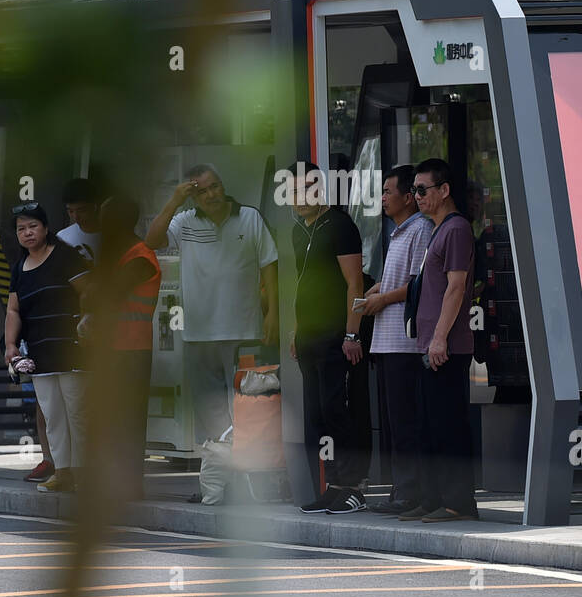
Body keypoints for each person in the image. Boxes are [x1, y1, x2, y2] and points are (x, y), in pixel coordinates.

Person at [144, 164, 278, 461]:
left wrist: (273, 314)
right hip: (199, 333)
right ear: (192, 197)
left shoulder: (250, 217)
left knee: (247, 408)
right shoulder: (184, 221)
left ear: (222, 184)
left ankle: (248, 481)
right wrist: (174, 201)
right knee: (209, 414)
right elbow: (151, 242)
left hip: (244, 331)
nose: (211, 194)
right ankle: (216, 484)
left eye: (214, 186)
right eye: (201, 191)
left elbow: (269, 266)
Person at [288, 161, 369, 514]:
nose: (299, 197)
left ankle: (354, 486)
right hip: (308, 337)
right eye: (292, 191)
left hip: (338, 336)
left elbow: (355, 283)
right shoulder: (298, 230)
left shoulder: (340, 226)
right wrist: (296, 329)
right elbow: (303, 284)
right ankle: (334, 484)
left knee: (340, 412)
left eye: (306, 189)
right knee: (318, 414)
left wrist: (352, 333)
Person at [406, 158, 479, 522]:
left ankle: (458, 501)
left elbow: (456, 287)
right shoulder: (436, 230)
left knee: (449, 425)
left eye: (422, 190)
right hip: (429, 346)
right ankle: (432, 497)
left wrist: (439, 339)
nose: (416, 196)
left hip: (446, 348)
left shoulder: (456, 229)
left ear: (444, 190)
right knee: (428, 427)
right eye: (414, 190)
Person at [359, 164, 432, 515]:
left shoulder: (420, 229)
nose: (384, 198)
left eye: (389, 191)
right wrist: (375, 291)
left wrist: (382, 299)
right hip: (386, 342)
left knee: (406, 423)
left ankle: (410, 492)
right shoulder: (398, 232)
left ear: (408, 197)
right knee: (394, 423)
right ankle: (400, 490)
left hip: (404, 343)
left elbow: (417, 285)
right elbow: (397, 281)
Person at [24, 176, 106, 484]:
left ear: (97, 207)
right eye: (71, 211)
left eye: (82, 209)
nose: (77, 217)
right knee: (52, 404)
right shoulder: (62, 239)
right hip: (66, 331)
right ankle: (54, 462)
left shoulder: (114, 237)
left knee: (85, 404)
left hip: (105, 325)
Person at [5, 202, 91, 493]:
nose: (27, 233)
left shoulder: (67, 256)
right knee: (53, 415)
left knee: (77, 412)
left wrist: (89, 321)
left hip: (73, 349)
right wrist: (10, 345)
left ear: (45, 228)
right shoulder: (19, 268)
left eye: (33, 226)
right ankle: (63, 471)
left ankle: (85, 474)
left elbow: (89, 293)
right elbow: (14, 311)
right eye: (21, 229)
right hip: (40, 353)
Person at [88, 190, 161, 503]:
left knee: (128, 419)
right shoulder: (122, 255)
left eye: (104, 217)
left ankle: (130, 485)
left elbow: (106, 294)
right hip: (114, 348)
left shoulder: (140, 256)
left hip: (131, 349)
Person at [58, 177, 103, 264]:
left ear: (94, 207)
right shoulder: (62, 237)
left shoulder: (112, 237)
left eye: (81, 210)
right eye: (70, 211)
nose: (75, 217)